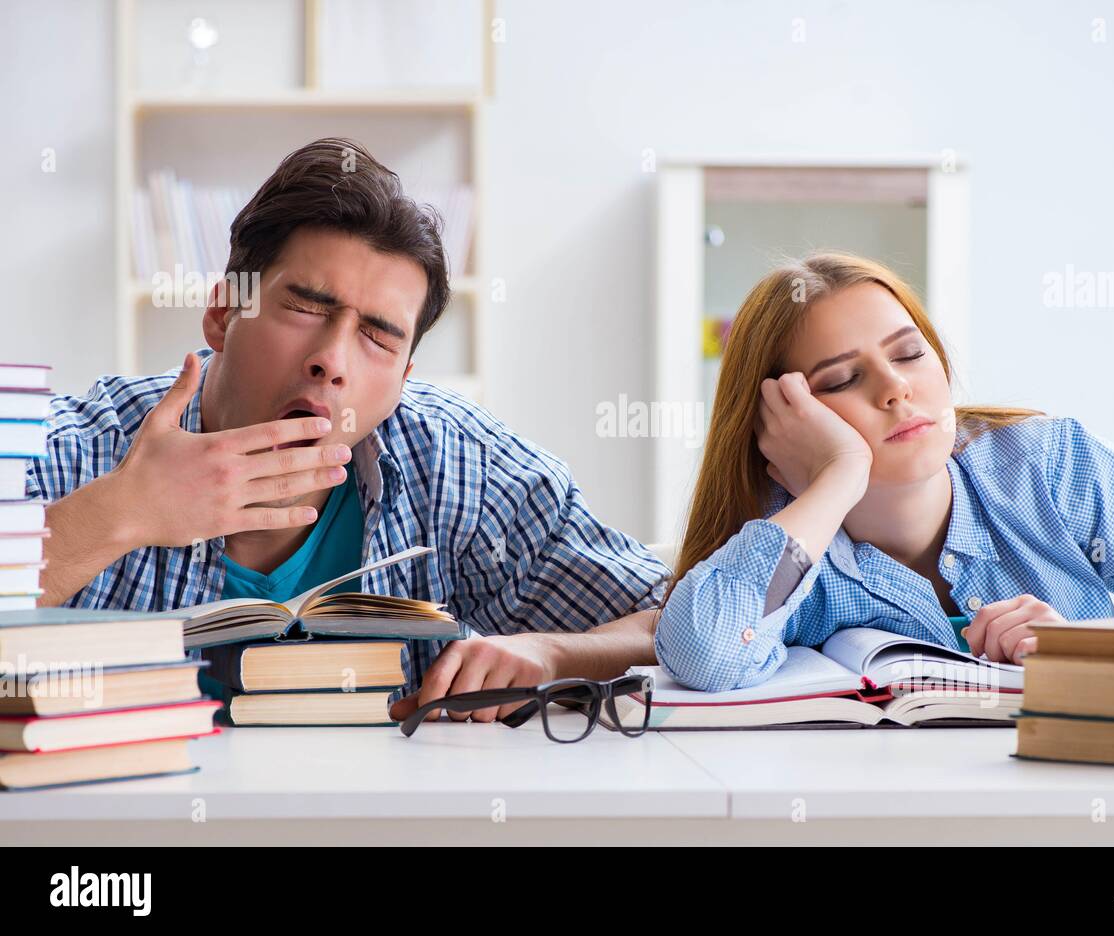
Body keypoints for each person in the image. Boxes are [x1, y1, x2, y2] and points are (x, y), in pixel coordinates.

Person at [26, 138, 667, 723]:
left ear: (404, 377)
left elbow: (678, 625)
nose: (332, 360)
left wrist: (553, 653)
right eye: (306, 307)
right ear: (223, 313)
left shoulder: (461, 469)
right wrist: (122, 512)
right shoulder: (78, 448)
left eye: (377, 338)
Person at [653, 252, 1114, 692]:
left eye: (909, 353)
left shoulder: (1049, 464)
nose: (897, 388)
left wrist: (1088, 650)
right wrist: (840, 474)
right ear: (782, 420)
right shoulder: (789, 545)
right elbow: (705, 650)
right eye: (844, 379)